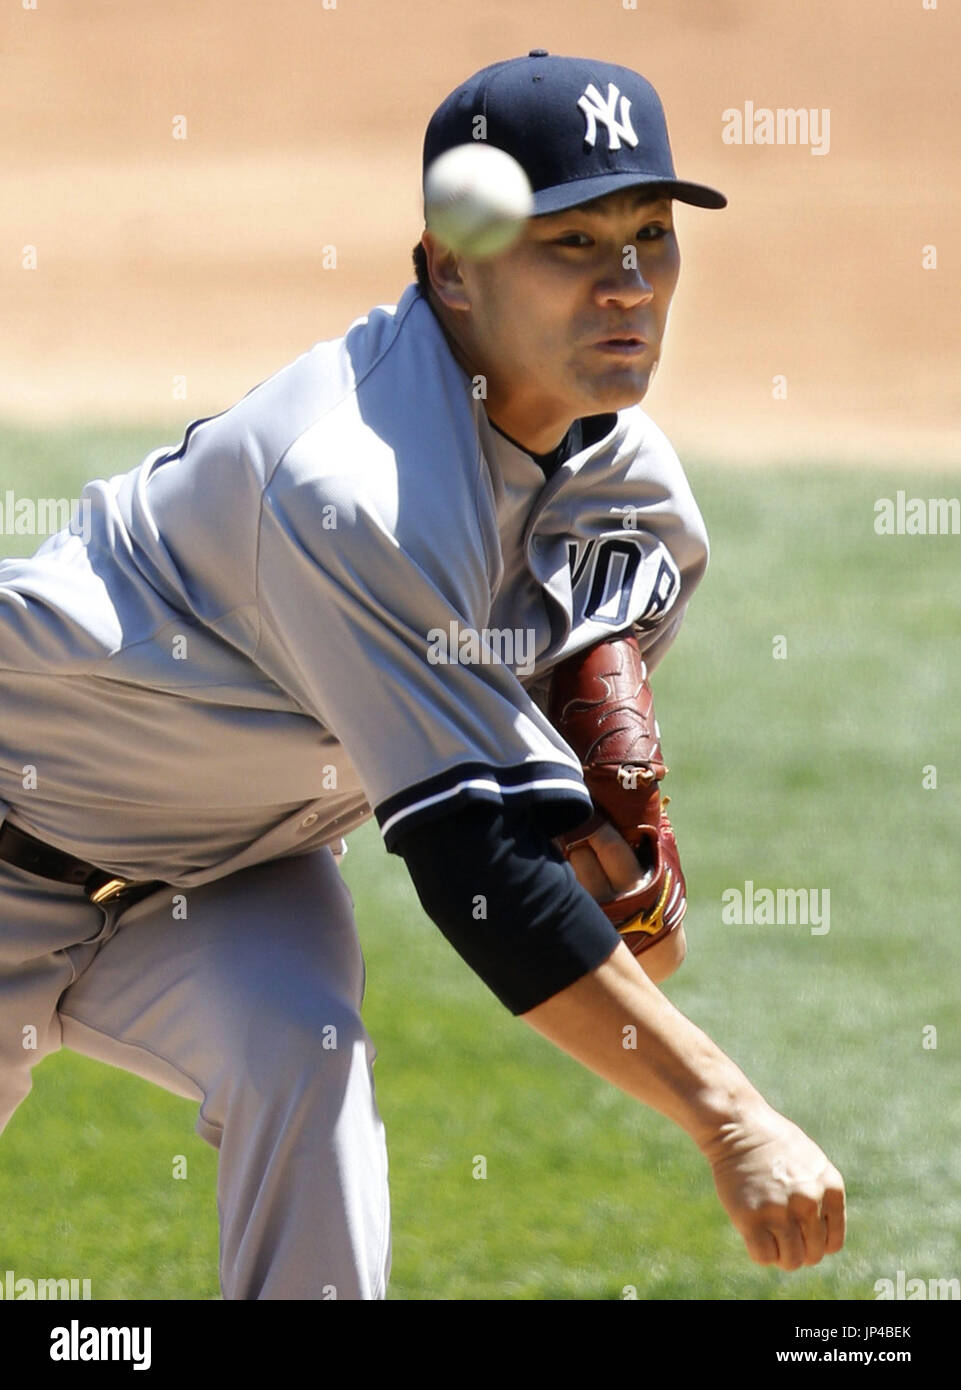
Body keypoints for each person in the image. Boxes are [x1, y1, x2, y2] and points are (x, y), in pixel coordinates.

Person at [0, 52, 844, 1300]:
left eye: (651, 235)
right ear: (451, 265)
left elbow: (550, 748)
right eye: (569, 242)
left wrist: (594, 838)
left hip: (232, 867)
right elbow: (480, 873)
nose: (628, 285)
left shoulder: (639, 491)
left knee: (305, 1050)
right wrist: (729, 1116)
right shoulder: (352, 485)